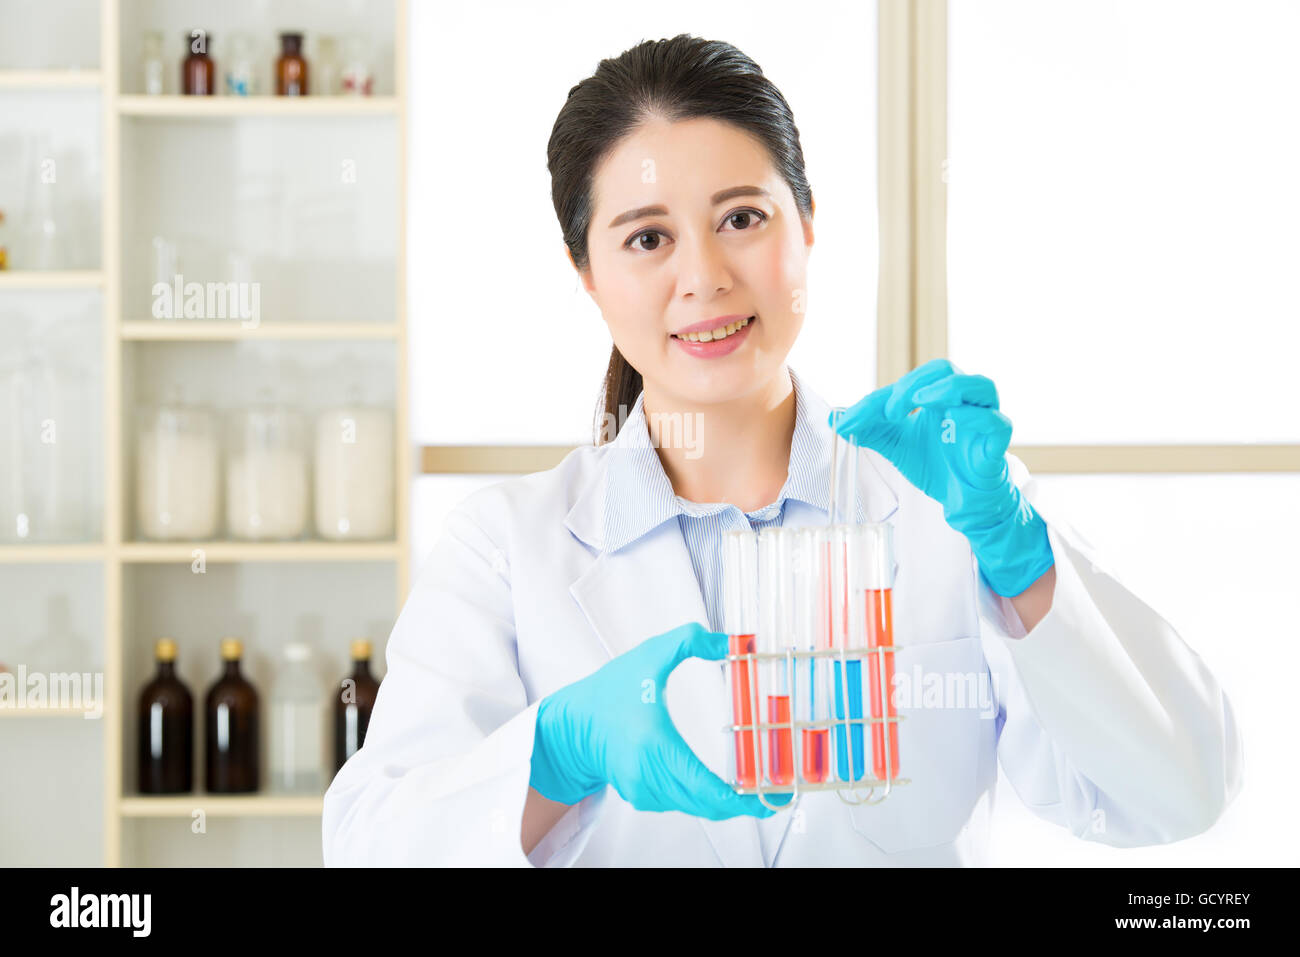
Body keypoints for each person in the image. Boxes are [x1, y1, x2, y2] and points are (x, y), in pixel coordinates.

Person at [322, 34, 1242, 867]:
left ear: (807, 222)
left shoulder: (949, 512)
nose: (705, 278)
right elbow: (370, 851)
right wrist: (556, 753)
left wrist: (1021, 553)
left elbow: (1179, 792)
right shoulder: (506, 548)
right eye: (648, 237)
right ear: (586, 275)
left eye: (742, 218)